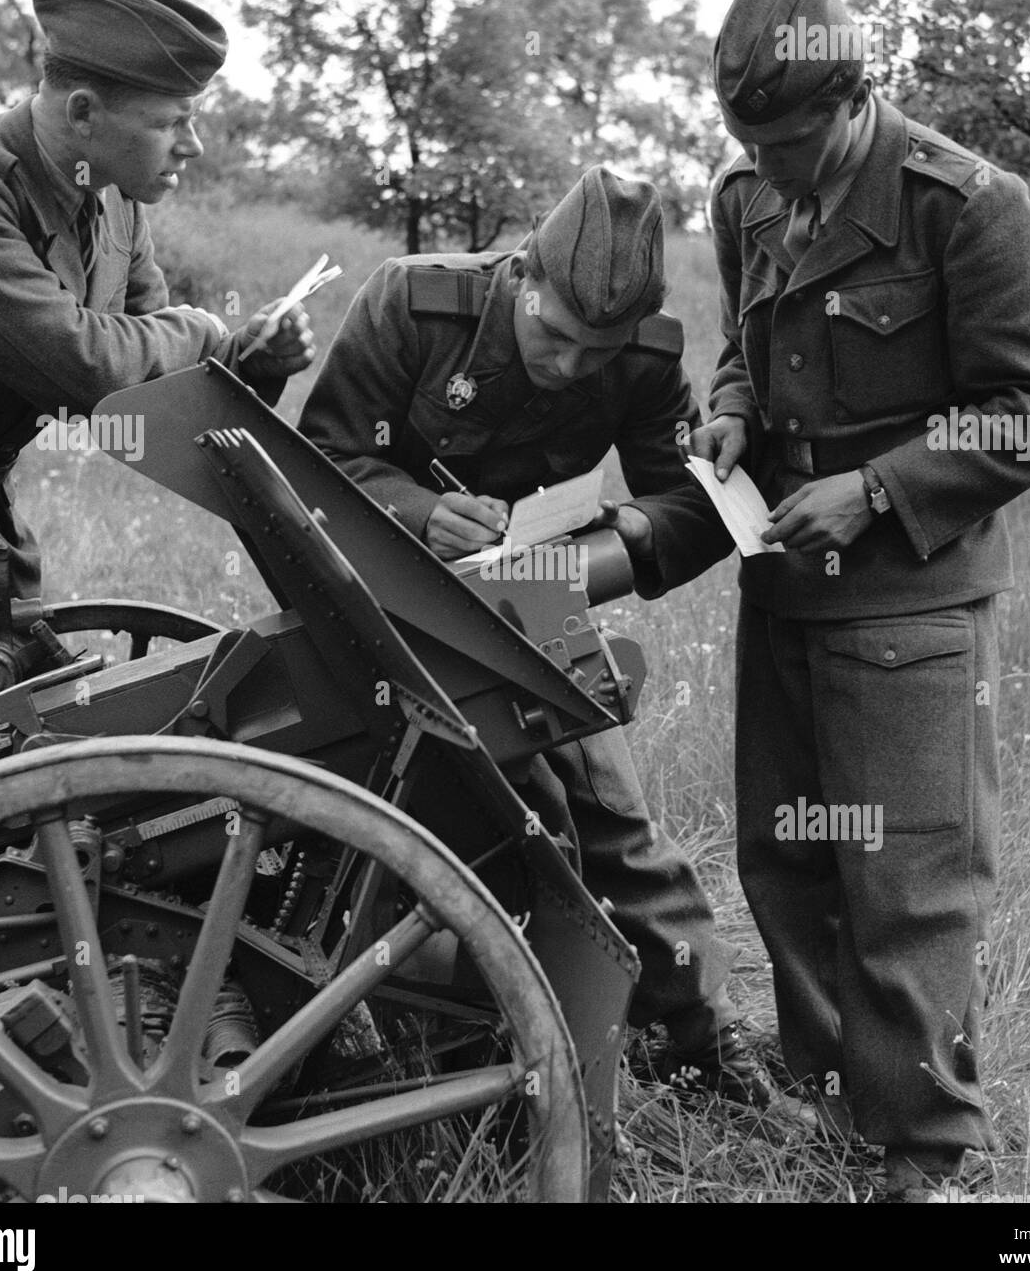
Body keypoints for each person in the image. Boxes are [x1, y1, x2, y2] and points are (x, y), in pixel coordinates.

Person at [689, 0, 1030, 1198]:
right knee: (787, 857)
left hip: (909, 604)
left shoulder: (966, 204)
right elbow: (748, 339)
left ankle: (916, 1148)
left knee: (906, 880)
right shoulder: (744, 195)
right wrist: (730, 413)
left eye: (792, 151)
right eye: (751, 152)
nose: (770, 180)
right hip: (784, 587)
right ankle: (826, 1094)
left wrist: (872, 491)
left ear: (851, 104)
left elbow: (1028, 409)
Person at [299, 166, 774, 1103]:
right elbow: (316, 464)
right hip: (379, 601)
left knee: (614, 820)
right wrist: (418, 512)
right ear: (521, 275)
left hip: (529, 597)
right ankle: (480, 1045)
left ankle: (700, 1043)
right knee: (490, 823)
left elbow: (688, 500)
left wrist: (628, 533)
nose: (568, 366)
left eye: (594, 354)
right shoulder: (412, 303)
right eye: (552, 336)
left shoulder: (638, 357)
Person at [0, 0, 316, 612]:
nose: (191, 146)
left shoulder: (114, 200)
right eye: (171, 122)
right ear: (83, 112)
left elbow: (156, 386)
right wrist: (207, 332)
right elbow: (85, 366)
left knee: (18, 694)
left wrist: (250, 358)